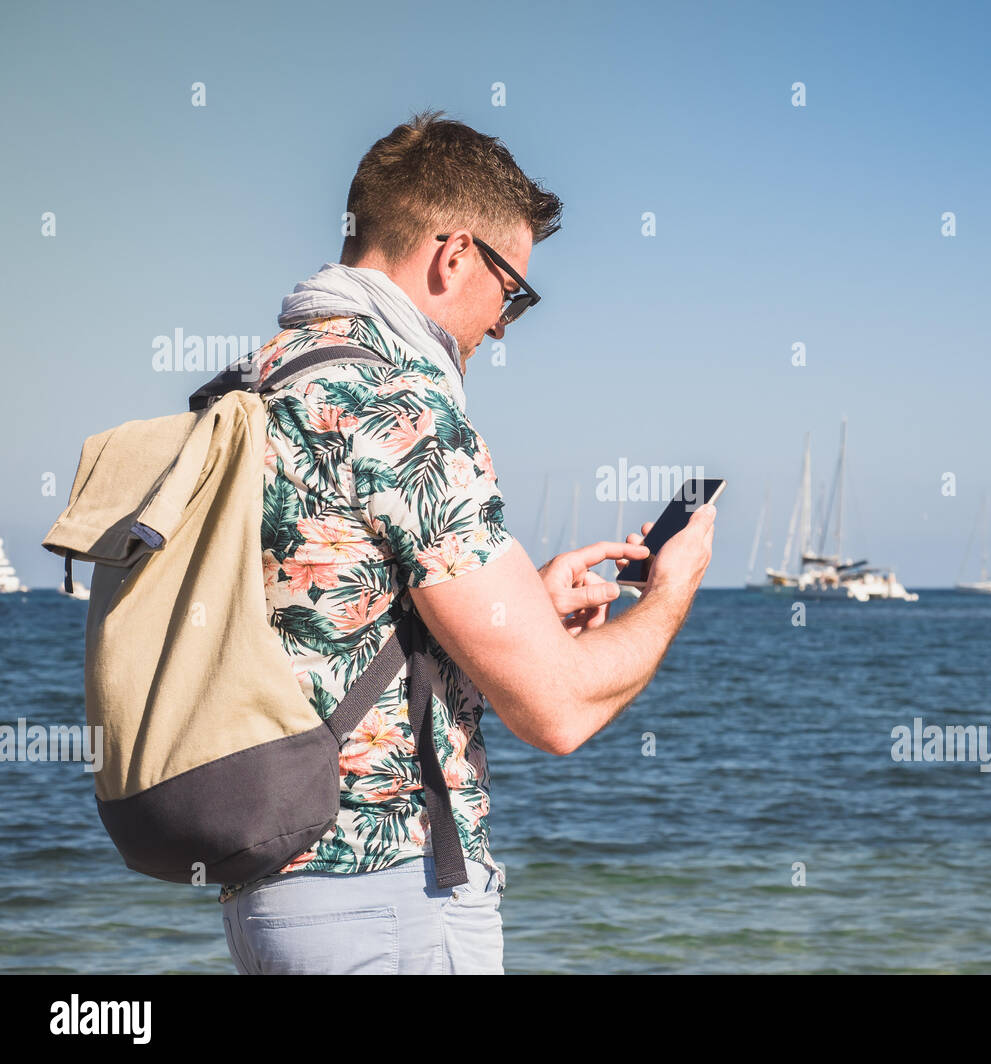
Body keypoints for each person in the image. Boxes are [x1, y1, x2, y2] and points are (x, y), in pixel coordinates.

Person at [219, 110, 715, 975]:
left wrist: (530, 598)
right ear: (454, 256)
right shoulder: (401, 410)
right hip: (386, 895)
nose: (502, 325)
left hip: (271, 885)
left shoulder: (261, 378)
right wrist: (674, 589)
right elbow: (555, 713)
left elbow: (327, 609)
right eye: (512, 291)